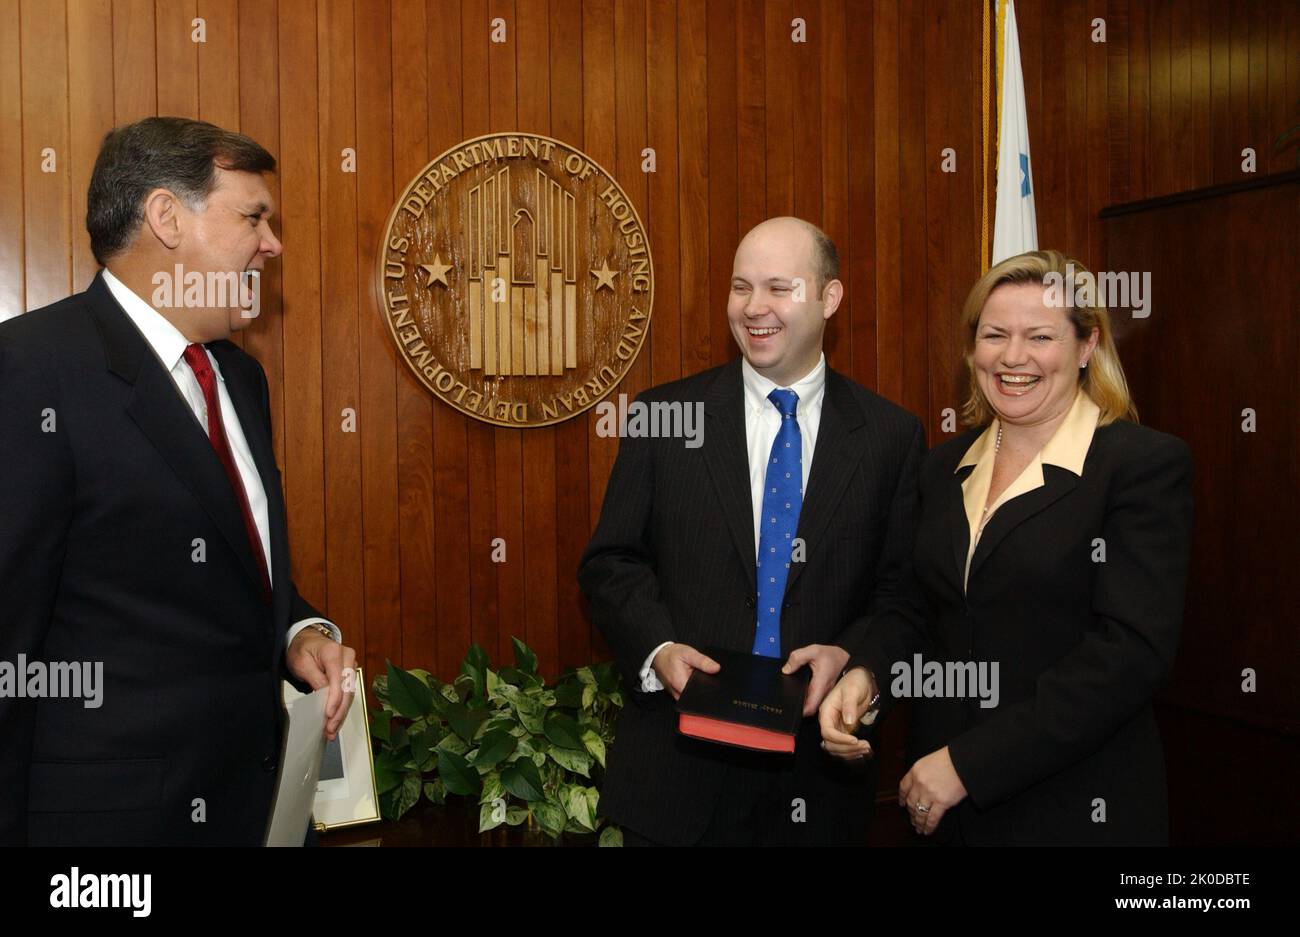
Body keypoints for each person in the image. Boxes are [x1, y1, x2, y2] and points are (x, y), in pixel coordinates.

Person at [0, 117, 356, 845]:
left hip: (253, 815)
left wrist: (298, 628)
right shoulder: (32, 369)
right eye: (253, 216)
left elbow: (226, 565)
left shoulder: (239, 378)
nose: (272, 243)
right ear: (166, 216)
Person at [819, 250, 1193, 845]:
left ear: (1086, 345)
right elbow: (917, 611)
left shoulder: (1140, 466)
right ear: (973, 349)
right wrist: (868, 674)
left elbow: (1129, 655)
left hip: (1076, 809)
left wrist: (969, 765)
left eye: (1040, 336)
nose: (1013, 356)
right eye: (994, 335)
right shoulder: (943, 467)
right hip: (941, 810)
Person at [578, 217, 924, 845]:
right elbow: (611, 564)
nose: (754, 308)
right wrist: (659, 652)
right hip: (676, 780)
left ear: (830, 297)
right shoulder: (663, 417)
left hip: (819, 785)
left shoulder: (891, 438)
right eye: (741, 288)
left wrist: (859, 664)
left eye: (778, 288)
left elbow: (901, 595)